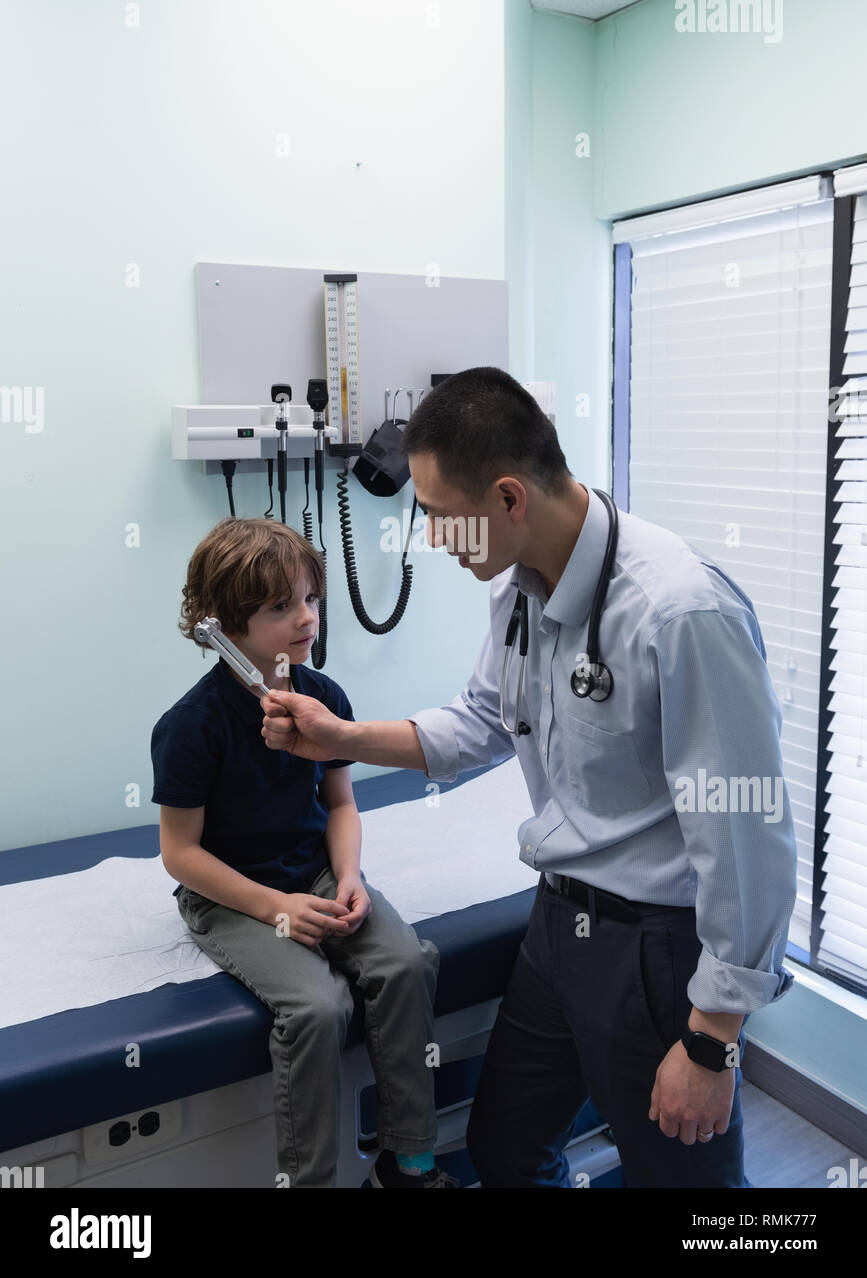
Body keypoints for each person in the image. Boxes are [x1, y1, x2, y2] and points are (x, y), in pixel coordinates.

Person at [260, 366, 798, 1189]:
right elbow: (480, 722)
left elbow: (747, 838)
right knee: (507, 1151)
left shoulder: (678, 613)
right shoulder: (517, 590)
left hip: (656, 949)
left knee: (691, 1190)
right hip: (558, 931)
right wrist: (340, 737)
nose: (431, 541)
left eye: (439, 518)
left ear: (508, 498)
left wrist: (709, 1038)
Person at [151, 516, 458, 1188]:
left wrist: (347, 875)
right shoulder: (191, 728)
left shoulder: (323, 699)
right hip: (230, 893)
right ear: (223, 624)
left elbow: (341, 804)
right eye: (279, 606)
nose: (305, 619)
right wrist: (278, 908)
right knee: (319, 1009)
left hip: (316, 871)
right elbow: (180, 854)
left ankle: (409, 1162)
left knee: (406, 962)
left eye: (311, 599)